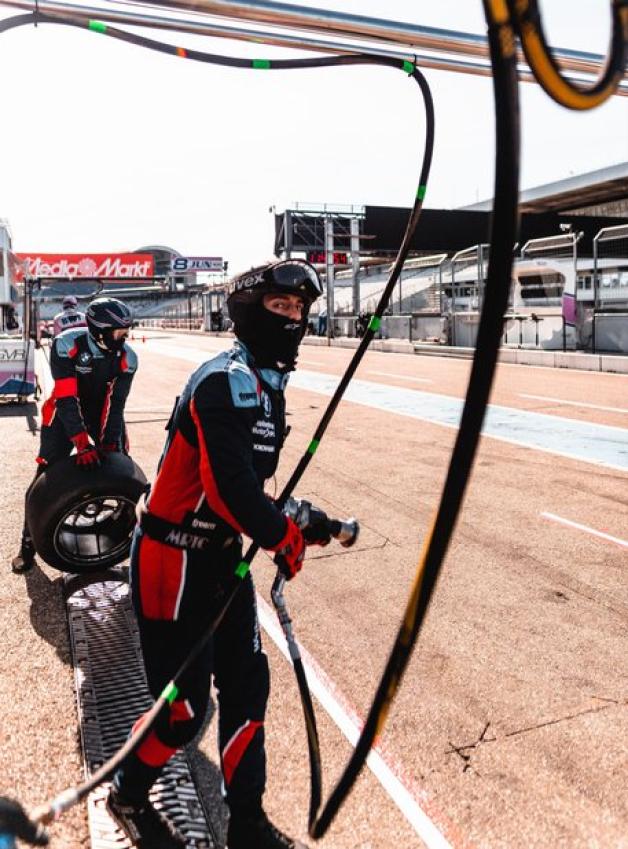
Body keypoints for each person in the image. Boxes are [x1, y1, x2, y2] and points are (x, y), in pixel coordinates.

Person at [106, 260, 328, 849]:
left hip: (224, 559)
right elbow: (229, 490)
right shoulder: (221, 381)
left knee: (248, 687)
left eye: (299, 310)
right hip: (171, 560)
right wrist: (281, 535)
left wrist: (302, 520)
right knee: (182, 713)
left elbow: (248, 493)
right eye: (280, 306)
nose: (292, 318)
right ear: (252, 309)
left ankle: (247, 823)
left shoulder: (264, 384)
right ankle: (126, 794)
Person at [11, 297, 137, 574]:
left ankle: (123, 536)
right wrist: (81, 443)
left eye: (127, 331)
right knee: (41, 478)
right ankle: (27, 544)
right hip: (62, 412)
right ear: (101, 330)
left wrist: (106, 445)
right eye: (120, 332)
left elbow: (115, 405)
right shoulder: (66, 344)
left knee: (119, 462)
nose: (126, 337)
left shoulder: (129, 358)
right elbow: (67, 398)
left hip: (101, 412)